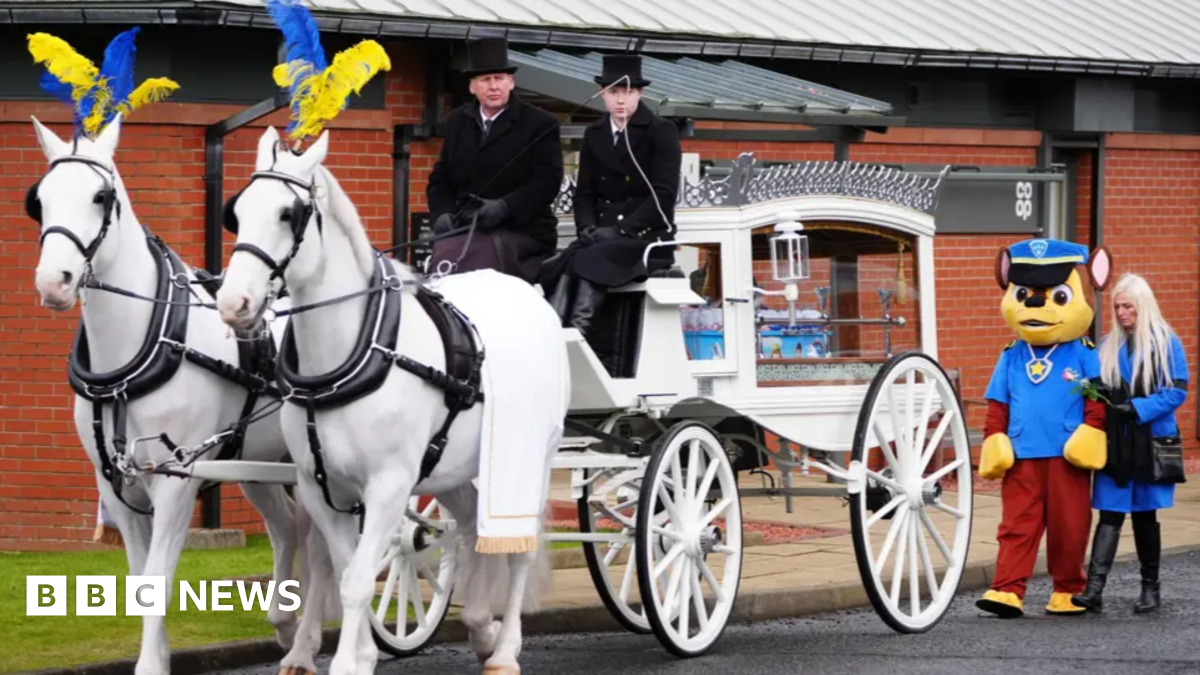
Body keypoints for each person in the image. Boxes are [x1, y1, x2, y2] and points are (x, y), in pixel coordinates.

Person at [539, 53, 682, 338]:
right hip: (603, 232)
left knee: (593, 257)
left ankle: (577, 332)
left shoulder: (660, 131)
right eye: (613, 92)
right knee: (560, 262)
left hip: (645, 235)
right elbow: (585, 192)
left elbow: (663, 195)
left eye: (627, 92)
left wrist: (620, 228)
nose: (620, 100)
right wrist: (586, 226)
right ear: (602, 95)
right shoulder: (595, 133)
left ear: (639, 93)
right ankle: (553, 332)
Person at [1071, 273, 1189, 614]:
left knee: (1144, 516)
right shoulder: (1109, 344)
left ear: (1143, 305)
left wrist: (1137, 407)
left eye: (1128, 306)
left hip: (1149, 440)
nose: (1122, 312)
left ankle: (1150, 589)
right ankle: (1093, 590)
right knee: (1109, 514)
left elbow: (1177, 392)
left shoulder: (1167, 342)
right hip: (1117, 442)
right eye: (1118, 306)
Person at [425, 37, 564, 284]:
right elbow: (441, 177)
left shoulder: (540, 123)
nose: (493, 86)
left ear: (511, 82)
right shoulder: (457, 122)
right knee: (443, 258)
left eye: (499, 78)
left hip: (523, 231)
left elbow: (546, 182)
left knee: (474, 258)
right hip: (467, 227)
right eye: (485, 80)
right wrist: (441, 214)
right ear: (472, 87)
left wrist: (504, 207)